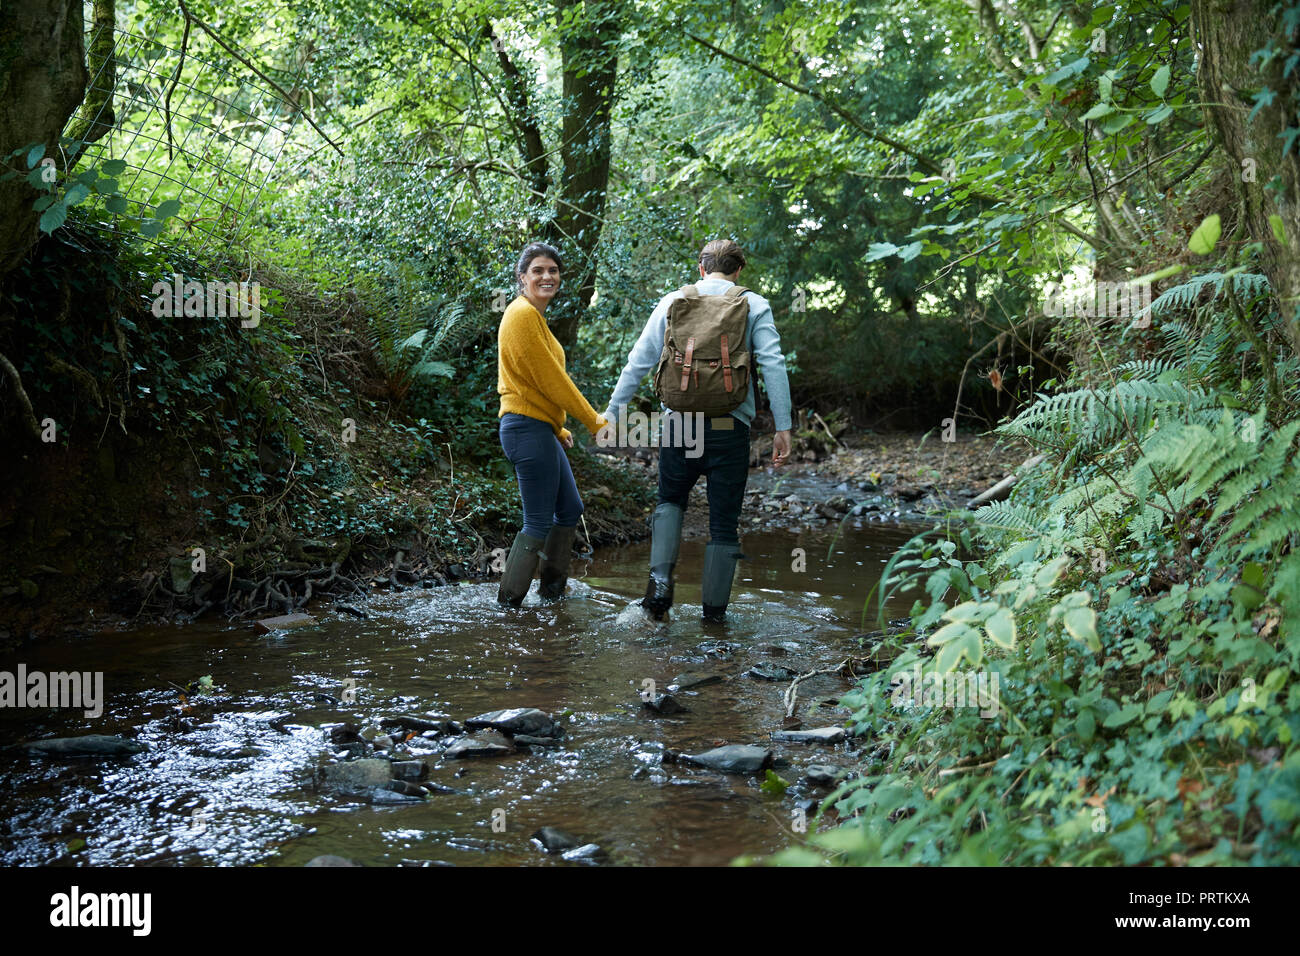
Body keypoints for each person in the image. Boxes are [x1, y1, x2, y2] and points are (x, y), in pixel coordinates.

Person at [603, 239, 793, 624]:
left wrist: (612, 414)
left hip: (679, 425)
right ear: (739, 271)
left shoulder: (674, 300)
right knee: (723, 523)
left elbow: (638, 361)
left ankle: (659, 586)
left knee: (670, 501)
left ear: (701, 268)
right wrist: (783, 427)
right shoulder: (753, 304)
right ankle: (714, 619)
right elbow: (773, 365)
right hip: (730, 427)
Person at [496, 242, 608, 606]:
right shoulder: (522, 315)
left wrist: (558, 427)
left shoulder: (535, 318)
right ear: (522, 277)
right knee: (537, 523)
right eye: (538, 270)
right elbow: (552, 381)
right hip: (525, 430)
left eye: (553, 270)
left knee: (570, 509)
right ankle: (508, 606)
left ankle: (551, 595)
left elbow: (532, 382)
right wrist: (593, 420)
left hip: (538, 429)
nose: (547, 276)